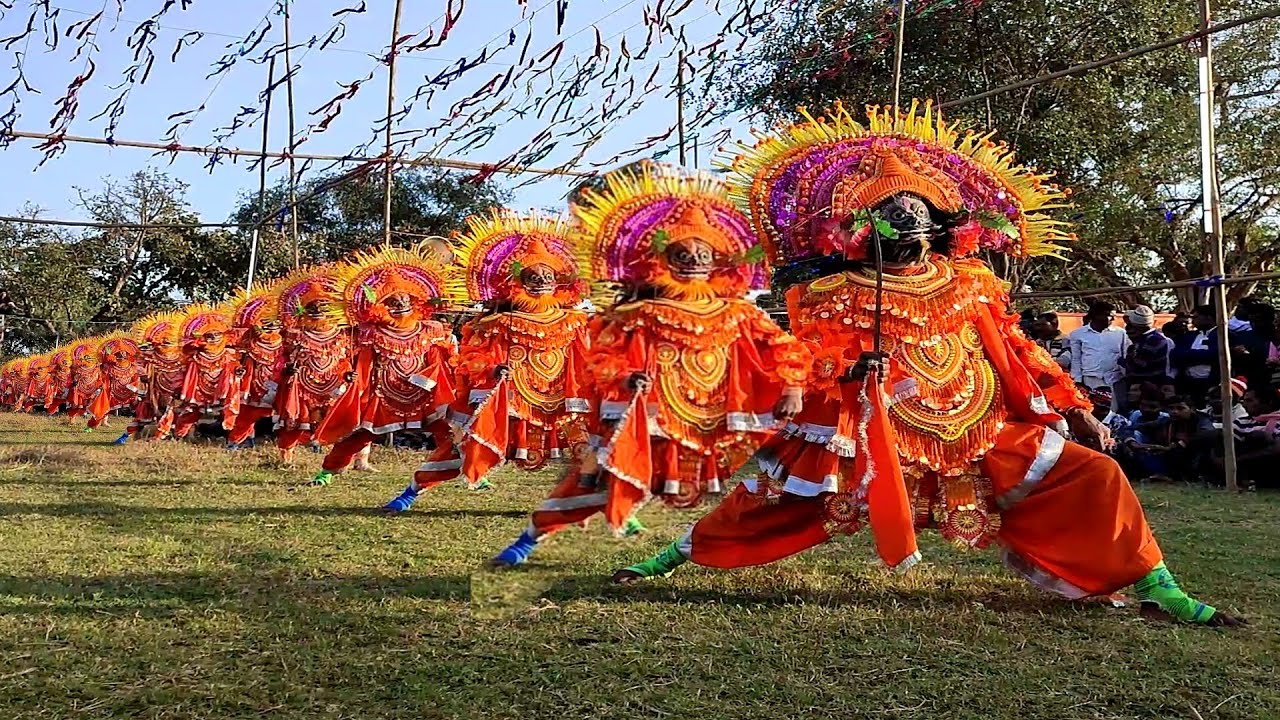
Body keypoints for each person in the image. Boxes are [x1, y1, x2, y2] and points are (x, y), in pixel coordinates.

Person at [616, 99, 1241, 625]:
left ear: (939, 221)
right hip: (870, 432)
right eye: (892, 215)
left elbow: (1016, 350)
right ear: (860, 227)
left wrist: (1075, 410)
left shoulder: (971, 281)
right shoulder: (827, 292)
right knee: (765, 501)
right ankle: (669, 557)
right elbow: (805, 358)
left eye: (918, 215)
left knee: (1096, 477)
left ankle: (1162, 590)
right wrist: (855, 371)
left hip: (981, 428)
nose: (909, 225)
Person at [489, 163, 810, 566]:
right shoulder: (638, 312)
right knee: (599, 481)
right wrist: (625, 379)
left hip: (717, 417)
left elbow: (783, 347)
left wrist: (793, 386)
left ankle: (711, 542)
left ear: (719, 261)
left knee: (789, 470)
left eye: (703, 254)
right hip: (651, 417)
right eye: (683, 253)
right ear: (661, 259)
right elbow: (603, 357)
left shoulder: (737, 312)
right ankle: (531, 537)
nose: (694, 261)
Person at [385, 211, 592, 512]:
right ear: (516, 282)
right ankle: (412, 491)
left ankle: (603, 509)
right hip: (507, 397)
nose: (541, 283)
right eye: (532, 278)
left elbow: (590, 356)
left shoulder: (573, 321)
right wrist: (493, 369)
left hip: (560, 399)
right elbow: (473, 356)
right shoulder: (496, 322)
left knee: (592, 449)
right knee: (465, 445)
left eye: (547, 277)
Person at [308, 245, 457, 489]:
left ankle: (474, 474)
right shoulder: (371, 333)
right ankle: (326, 473)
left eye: (405, 299)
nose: (400, 304)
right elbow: (362, 364)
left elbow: (441, 361)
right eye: (392, 301)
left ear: (415, 300)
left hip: (424, 396)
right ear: (381, 304)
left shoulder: (431, 330)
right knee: (360, 436)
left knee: (449, 434)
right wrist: (355, 383)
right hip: (384, 395)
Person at [272, 264, 357, 465]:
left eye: (323, 307)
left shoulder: (344, 334)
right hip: (302, 384)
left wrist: (349, 374)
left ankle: (340, 460)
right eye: (312, 307)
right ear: (303, 309)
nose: (317, 310)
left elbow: (349, 358)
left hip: (333, 384)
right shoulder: (294, 334)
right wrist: (287, 369)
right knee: (294, 422)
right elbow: (280, 357)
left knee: (337, 420)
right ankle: (286, 460)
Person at [225, 285, 285, 450]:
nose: (269, 329)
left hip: (279, 381)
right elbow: (238, 356)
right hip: (254, 383)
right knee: (248, 414)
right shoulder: (250, 340)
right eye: (265, 324)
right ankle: (236, 442)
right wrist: (239, 369)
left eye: (274, 324)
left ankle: (307, 444)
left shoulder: (287, 341)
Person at [86, 332, 145, 443]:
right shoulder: (110, 364)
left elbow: (140, 373)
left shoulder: (133, 365)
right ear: (116, 354)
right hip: (114, 391)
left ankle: (136, 432)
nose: (122, 354)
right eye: (119, 352)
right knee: (102, 409)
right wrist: (107, 350)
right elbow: (104, 362)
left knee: (142, 409)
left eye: (124, 352)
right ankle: (91, 425)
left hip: (129, 392)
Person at [1069, 301, 1129, 404]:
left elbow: (1125, 356)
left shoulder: (1121, 333)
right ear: (1097, 315)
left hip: (1114, 381)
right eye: (1110, 316)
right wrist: (1077, 381)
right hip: (1090, 381)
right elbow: (1076, 359)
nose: (1113, 319)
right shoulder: (1077, 334)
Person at [1120, 305, 1174, 410]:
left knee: (1149, 410)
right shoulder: (1143, 340)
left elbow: (1138, 364)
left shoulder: (1154, 340)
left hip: (1150, 385)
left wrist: (1126, 360)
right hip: (1143, 385)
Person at [1171, 305, 1219, 406]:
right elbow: (1176, 354)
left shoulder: (1222, 335)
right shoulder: (1189, 336)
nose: (1193, 320)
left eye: (1196, 317)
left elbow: (1216, 355)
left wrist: (1190, 355)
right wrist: (1200, 356)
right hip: (1189, 383)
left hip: (1212, 383)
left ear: (1208, 318)